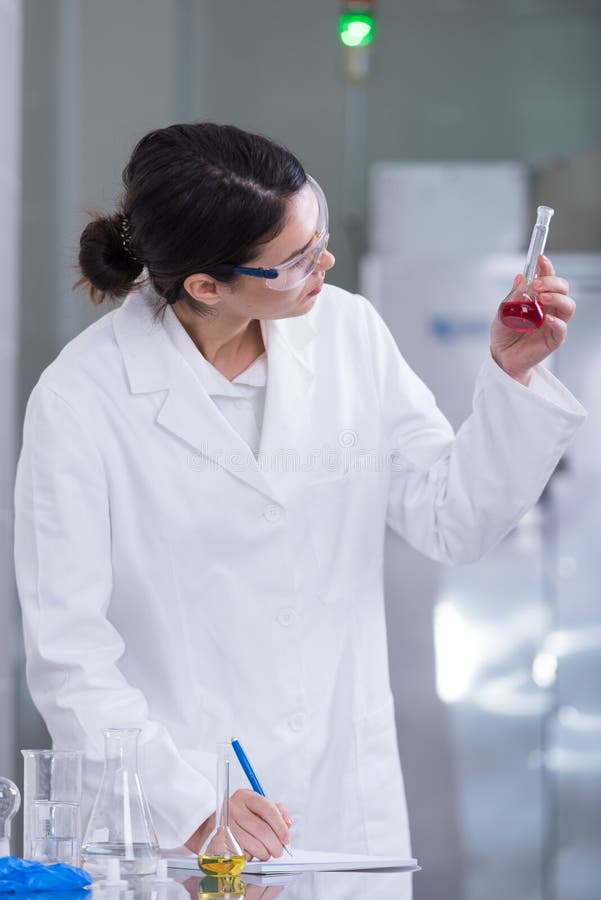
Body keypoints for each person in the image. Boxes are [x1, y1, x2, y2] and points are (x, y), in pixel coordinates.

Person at [14, 122, 585, 863]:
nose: (326, 263)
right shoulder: (82, 397)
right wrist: (185, 805)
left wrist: (513, 374)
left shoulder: (348, 333)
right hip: (178, 819)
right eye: (297, 260)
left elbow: (454, 520)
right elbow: (69, 654)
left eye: (318, 235)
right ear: (206, 286)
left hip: (341, 795)